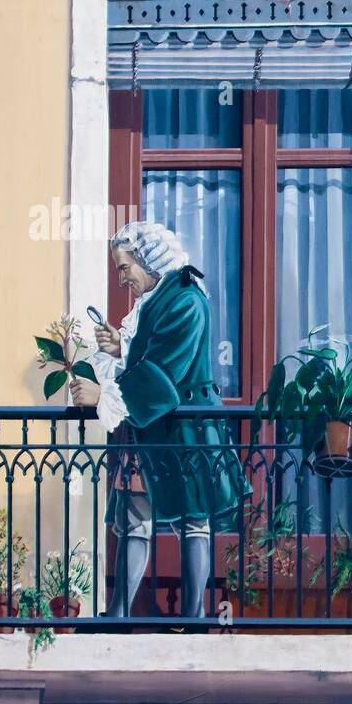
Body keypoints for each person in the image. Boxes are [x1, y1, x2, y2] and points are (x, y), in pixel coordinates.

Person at [70, 221, 244, 626]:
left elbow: (165, 370)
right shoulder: (155, 299)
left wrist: (103, 397)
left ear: (149, 261)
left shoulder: (186, 300)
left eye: (125, 267)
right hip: (151, 427)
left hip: (185, 429)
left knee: (193, 520)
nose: (121, 277)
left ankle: (194, 617)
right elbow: (147, 356)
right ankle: (119, 612)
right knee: (135, 518)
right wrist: (121, 347)